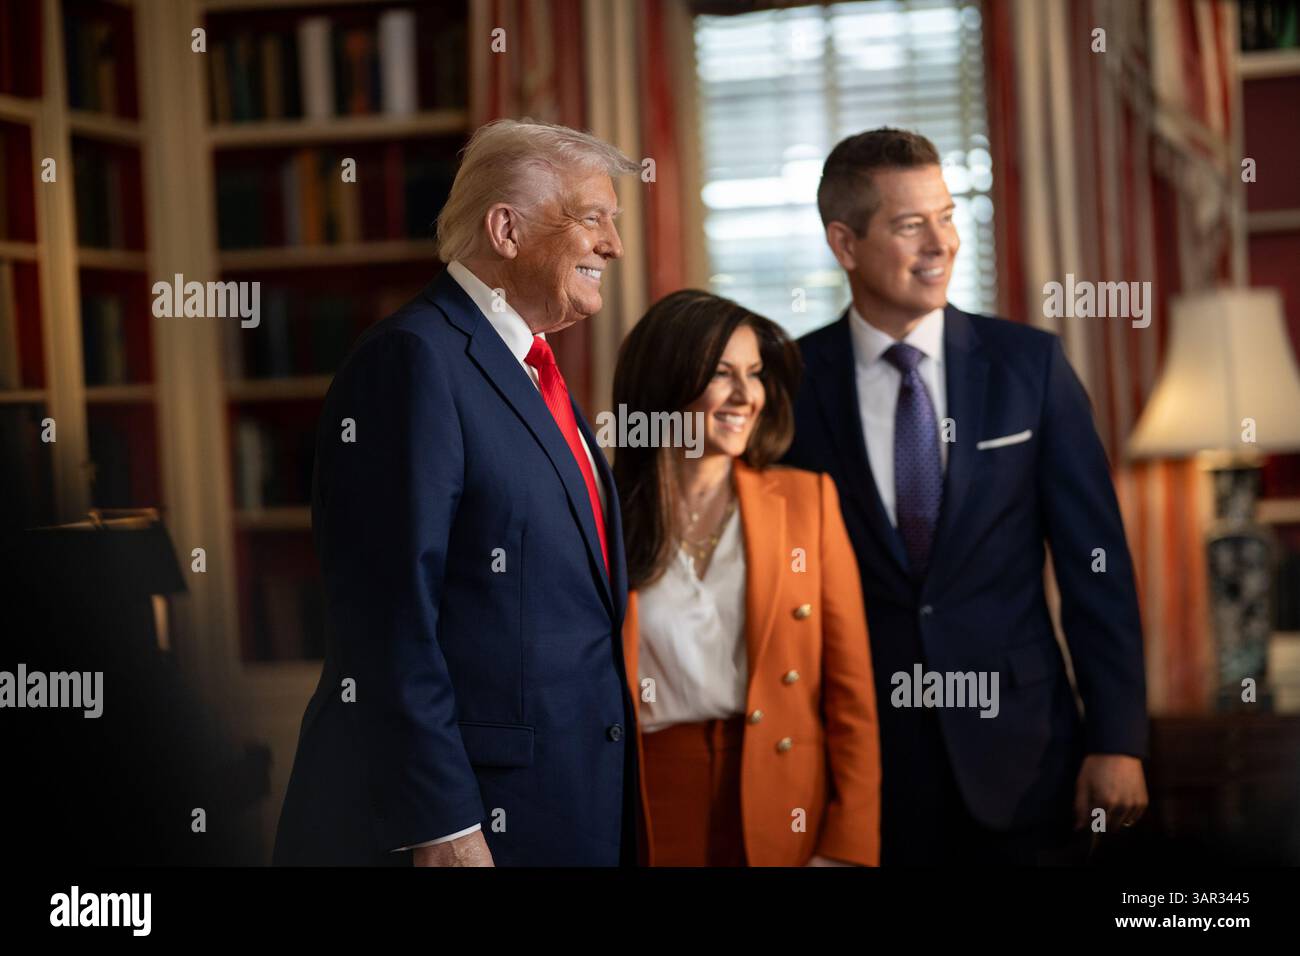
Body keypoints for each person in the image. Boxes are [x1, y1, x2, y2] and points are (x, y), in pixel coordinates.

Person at [273, 120, 641, 866]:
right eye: (594, 218)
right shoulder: (413, 360)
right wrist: (440, 824)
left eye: (616, 222)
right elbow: (386, 617)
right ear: (506, 229)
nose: (614, 246)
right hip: (466, 819)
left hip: (566, 799)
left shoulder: (533, 368)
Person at [783, 128, 1149, 865]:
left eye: (947, 216)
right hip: (863, 765)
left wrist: (1117, 740)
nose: (940, 243)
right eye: (910, 224)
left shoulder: (1029, 366)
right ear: (845, 243)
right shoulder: (790, 381)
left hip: (1024, 752)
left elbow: (1095, 566)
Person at [614, 290, 881, 867]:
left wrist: (847, 847)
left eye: (755, 375)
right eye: (721, 374)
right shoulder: (600, 511)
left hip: (784, 802)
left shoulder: (808, 500)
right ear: (665, 381)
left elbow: (852, 696)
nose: (747, 396)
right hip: (646, 808)